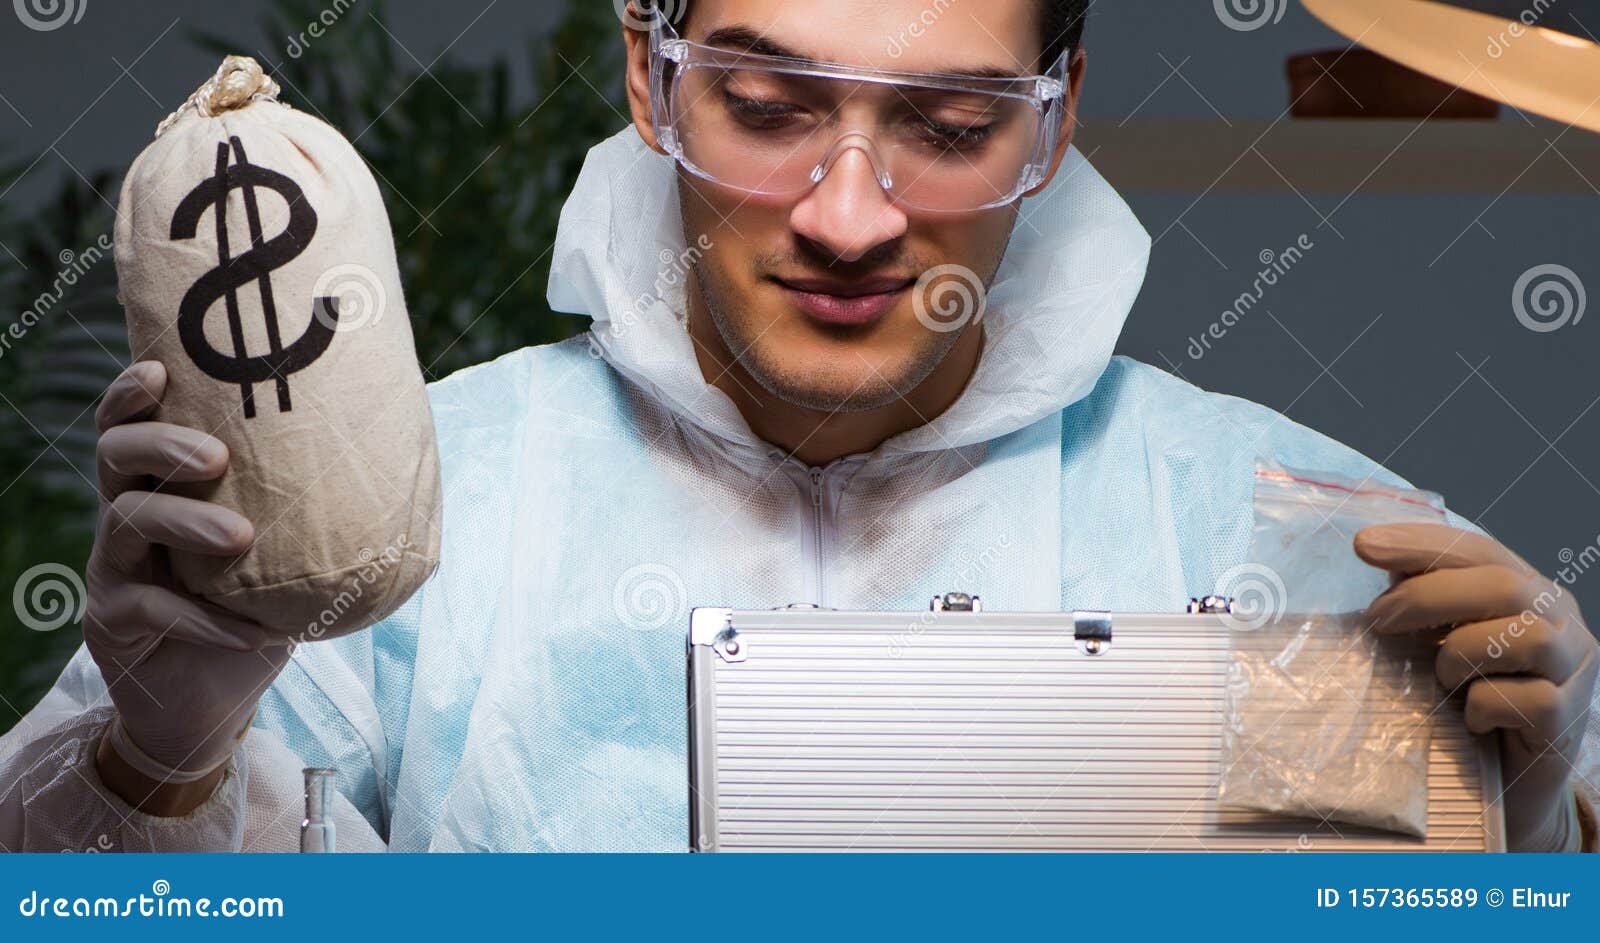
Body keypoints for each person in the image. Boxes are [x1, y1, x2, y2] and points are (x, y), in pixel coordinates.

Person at [2, 0, 1595, 852]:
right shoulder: (419, 516)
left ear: (1059, 117)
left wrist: (1542, 827)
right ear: (648, 70)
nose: (847, 216)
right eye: (766, 108)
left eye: (952, 125)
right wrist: (157, 767)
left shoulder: (1284, 528)